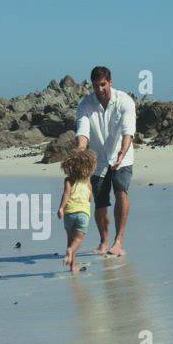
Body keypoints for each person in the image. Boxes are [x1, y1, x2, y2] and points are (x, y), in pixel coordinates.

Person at [74, 66, 137, 257]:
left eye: (103, 85)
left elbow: (128, 132)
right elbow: (83, 132)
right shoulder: (85, 104)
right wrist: (80, 151)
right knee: (100, 202)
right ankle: (104, 241)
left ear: (110, 82)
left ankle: (118, 241)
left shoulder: (124, 101)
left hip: (122, 155)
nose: (100, 89)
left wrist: (121, 153)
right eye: (96, 86)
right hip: (97, 158)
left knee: (121, 192)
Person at [57, 150, 96, 274]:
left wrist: (61, 208)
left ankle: (72, 267)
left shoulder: (68, 181)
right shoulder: (87, 182)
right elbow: (90, 198)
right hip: (83, 214)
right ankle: (70, 253)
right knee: (78, 240)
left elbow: (66, 194)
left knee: (70, 240)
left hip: (69, 213)